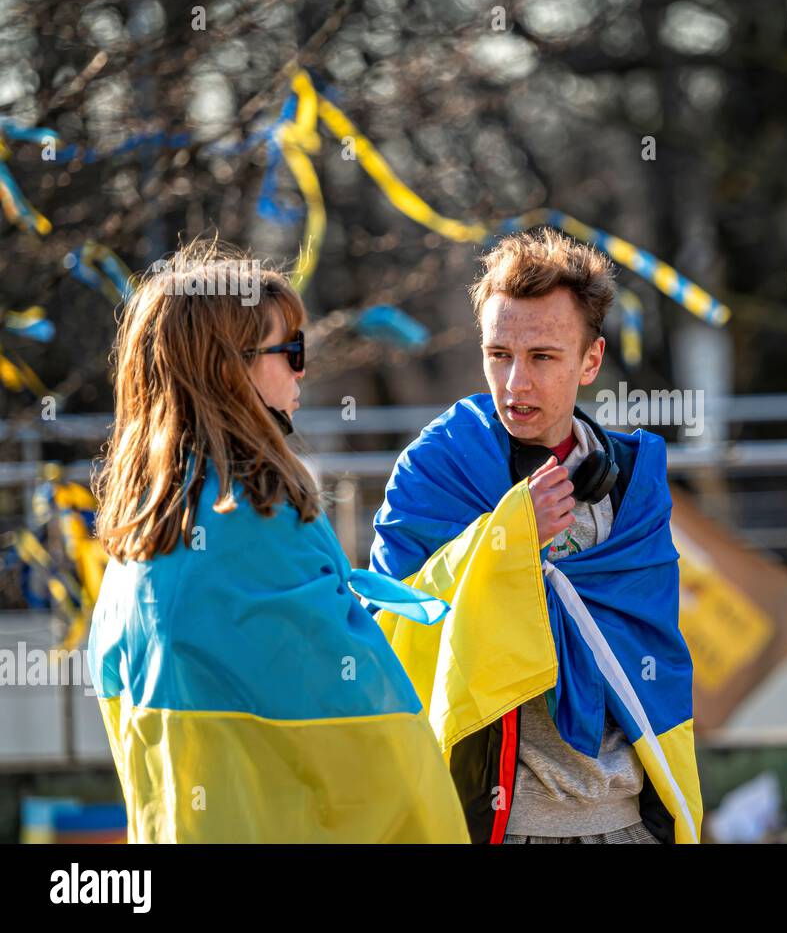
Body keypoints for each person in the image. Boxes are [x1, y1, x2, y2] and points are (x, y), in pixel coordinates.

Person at [88, 239, 468, 843]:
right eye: (290, 350)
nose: (302, 369)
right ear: (227, 368)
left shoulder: (138, 538)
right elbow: (372, 735)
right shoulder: (260, 519)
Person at [370, 227, 703, 844]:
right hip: (496, 823)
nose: (515, 383)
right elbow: (389, 629)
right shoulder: (435, 470)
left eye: (543, 357)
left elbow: (651, 646)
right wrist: (505, 542)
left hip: (631, 821)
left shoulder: (634, 486)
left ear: (591, 360)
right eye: (499, 355)